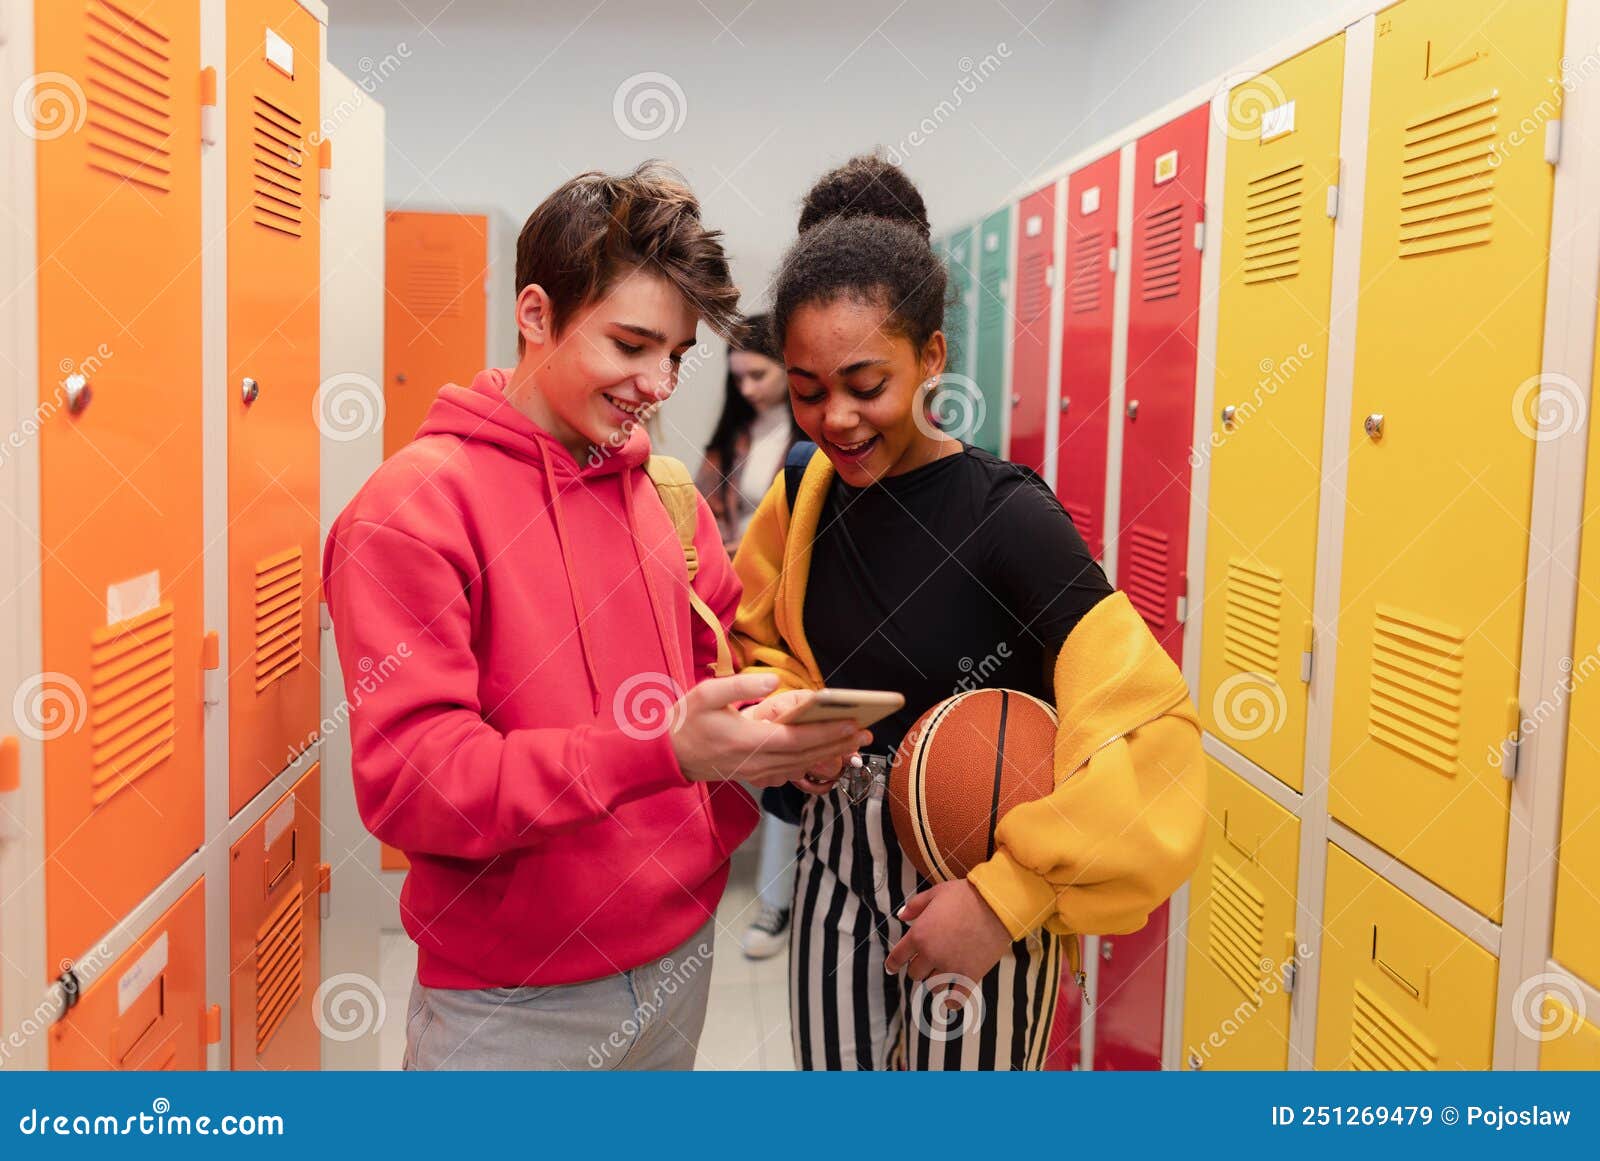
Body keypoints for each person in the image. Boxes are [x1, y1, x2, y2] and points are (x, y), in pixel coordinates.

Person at [322, 164, 869, 1071]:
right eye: (630, 345)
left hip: (676, 957)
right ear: (536, 314)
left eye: (678, 354)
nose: (660, 382)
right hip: (510, 1006)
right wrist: (661, 751)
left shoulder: (660, 490)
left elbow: (726, 654)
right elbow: (416, 783)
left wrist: (781, 732)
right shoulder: (411, 511)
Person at [732, 155, 1206, 1070]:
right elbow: (753, 634)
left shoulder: (1009, 515)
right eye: (807, 389)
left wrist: (1006, 899)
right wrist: (793, 723)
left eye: (866, 385)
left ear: (933, 355)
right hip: (834, 866)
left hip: (976, 873)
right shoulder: (801, 492)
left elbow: (1156, 739)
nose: (836, 418)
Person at [695, 314, 807, 959]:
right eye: (738, 379)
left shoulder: (807, 442)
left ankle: (777, 905)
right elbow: (702, 521)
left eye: (760, 375)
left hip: (789, 613)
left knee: (791, 753)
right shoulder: (729, 441)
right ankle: (770, 900)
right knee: (761, 751)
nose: (749, 389)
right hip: (736, 612)